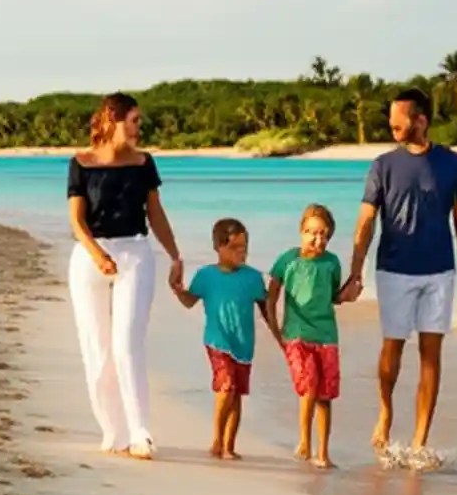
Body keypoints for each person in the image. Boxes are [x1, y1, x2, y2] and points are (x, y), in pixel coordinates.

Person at [341, 88, 457, 455]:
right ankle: (385, 410)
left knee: (431, 354)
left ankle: (420, 439)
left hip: (439, 272)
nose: (393, 127)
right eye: (391, 121)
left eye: (399, 122)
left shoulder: (452, 164)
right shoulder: (382, 165)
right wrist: (356, 272)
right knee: (393, 347)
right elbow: (365, 222)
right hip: (394, 270)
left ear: (421, 120)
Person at [66, 92, 183, 460]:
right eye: (134, 121)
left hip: (135, 252)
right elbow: (77, 221)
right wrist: (97, 254)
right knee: (96, 348)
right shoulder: (81, 163)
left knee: (127, 344)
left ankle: (140, 432)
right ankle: (112, 430)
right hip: (90, 256)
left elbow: (156, 214)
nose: (138, 128)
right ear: (113, 119)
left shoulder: (144, 163)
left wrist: (175, 255)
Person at [171, 218, 277, 460]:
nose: (242, 253)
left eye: (245, 247)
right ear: (219, 247)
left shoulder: (252, 278)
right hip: (217, 341)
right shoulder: (205, 275)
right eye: (235, 247)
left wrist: (281, 338)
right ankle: (217, 439)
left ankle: (229, 445)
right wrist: (177, 289)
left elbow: (266, 310)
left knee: (237, 394)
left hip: (244, 344)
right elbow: (189, 301)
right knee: (226, 386)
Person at [267, 204, 345, 470]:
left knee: (325, 395)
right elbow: (272, 295)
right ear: (301, 232)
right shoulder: (288, 260)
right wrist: (276, 330)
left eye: (323, 234)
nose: (317, 239)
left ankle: (323, 453)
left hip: (326, 334)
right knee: (309, 386)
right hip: (296, 334)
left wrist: (348, 293)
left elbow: (333, 296)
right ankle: (304, 442)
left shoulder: (332, 263)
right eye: (311, 232)